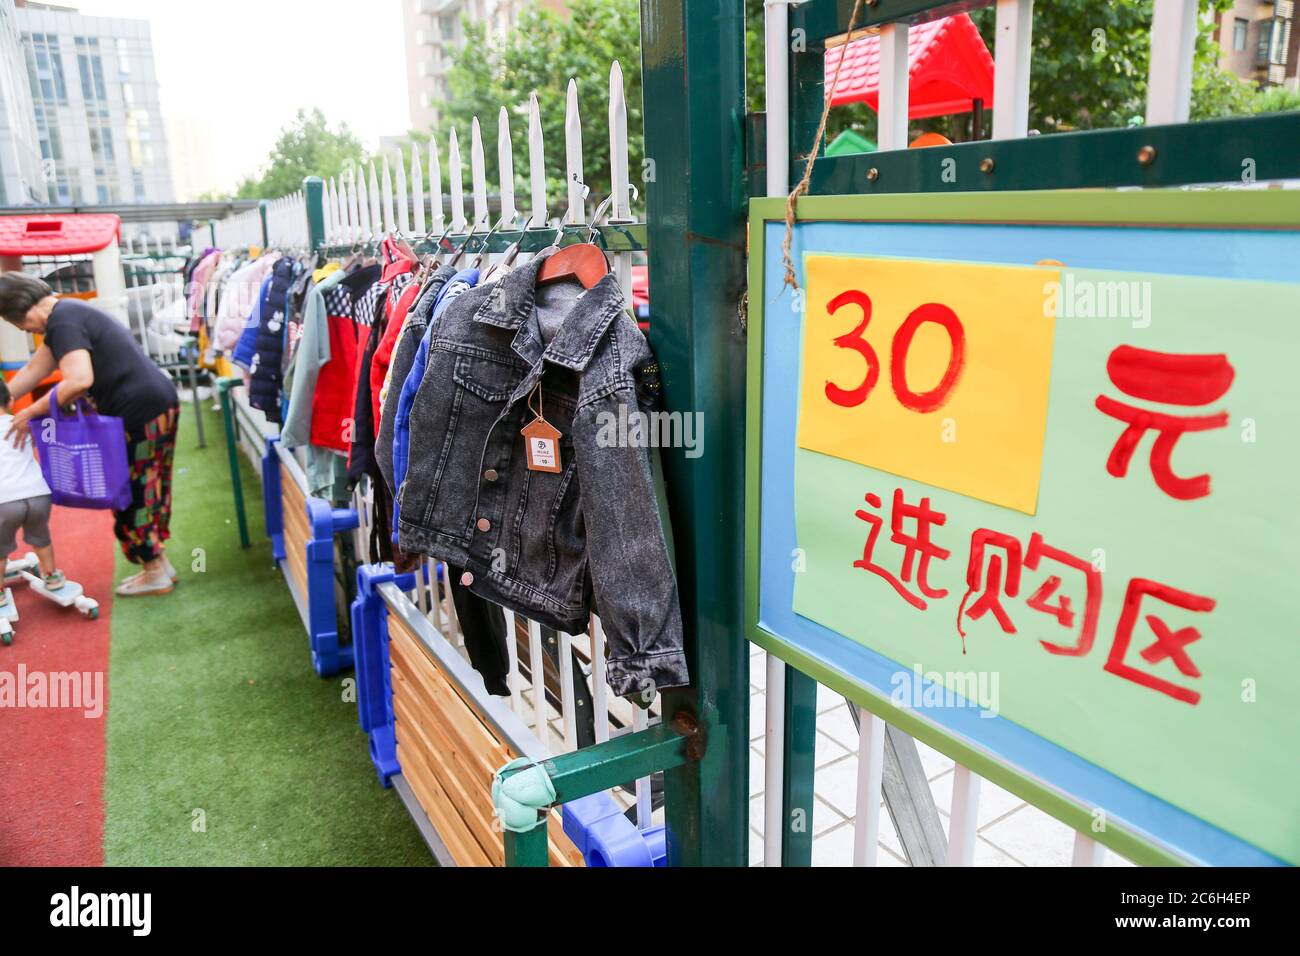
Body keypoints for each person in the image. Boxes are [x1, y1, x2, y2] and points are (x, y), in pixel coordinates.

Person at [0, 274, 180, 596]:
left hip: (139, 412)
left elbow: (79, 380)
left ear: (21, 308)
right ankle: (159, 565)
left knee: (132, 493)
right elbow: (31, 372)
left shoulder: (62, 321)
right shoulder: (66, 314)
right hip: (155, 404)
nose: (22, 330)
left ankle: (154, 571)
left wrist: (31, 411)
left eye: (16, 322)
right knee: (149, 488)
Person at [0, 377, 64, 600]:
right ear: (10, 401)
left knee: (0, 549)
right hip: (37, 493)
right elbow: (47, 438)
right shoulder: (22, 423)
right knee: (41, 538)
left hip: (4, 499)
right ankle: (52, 577)